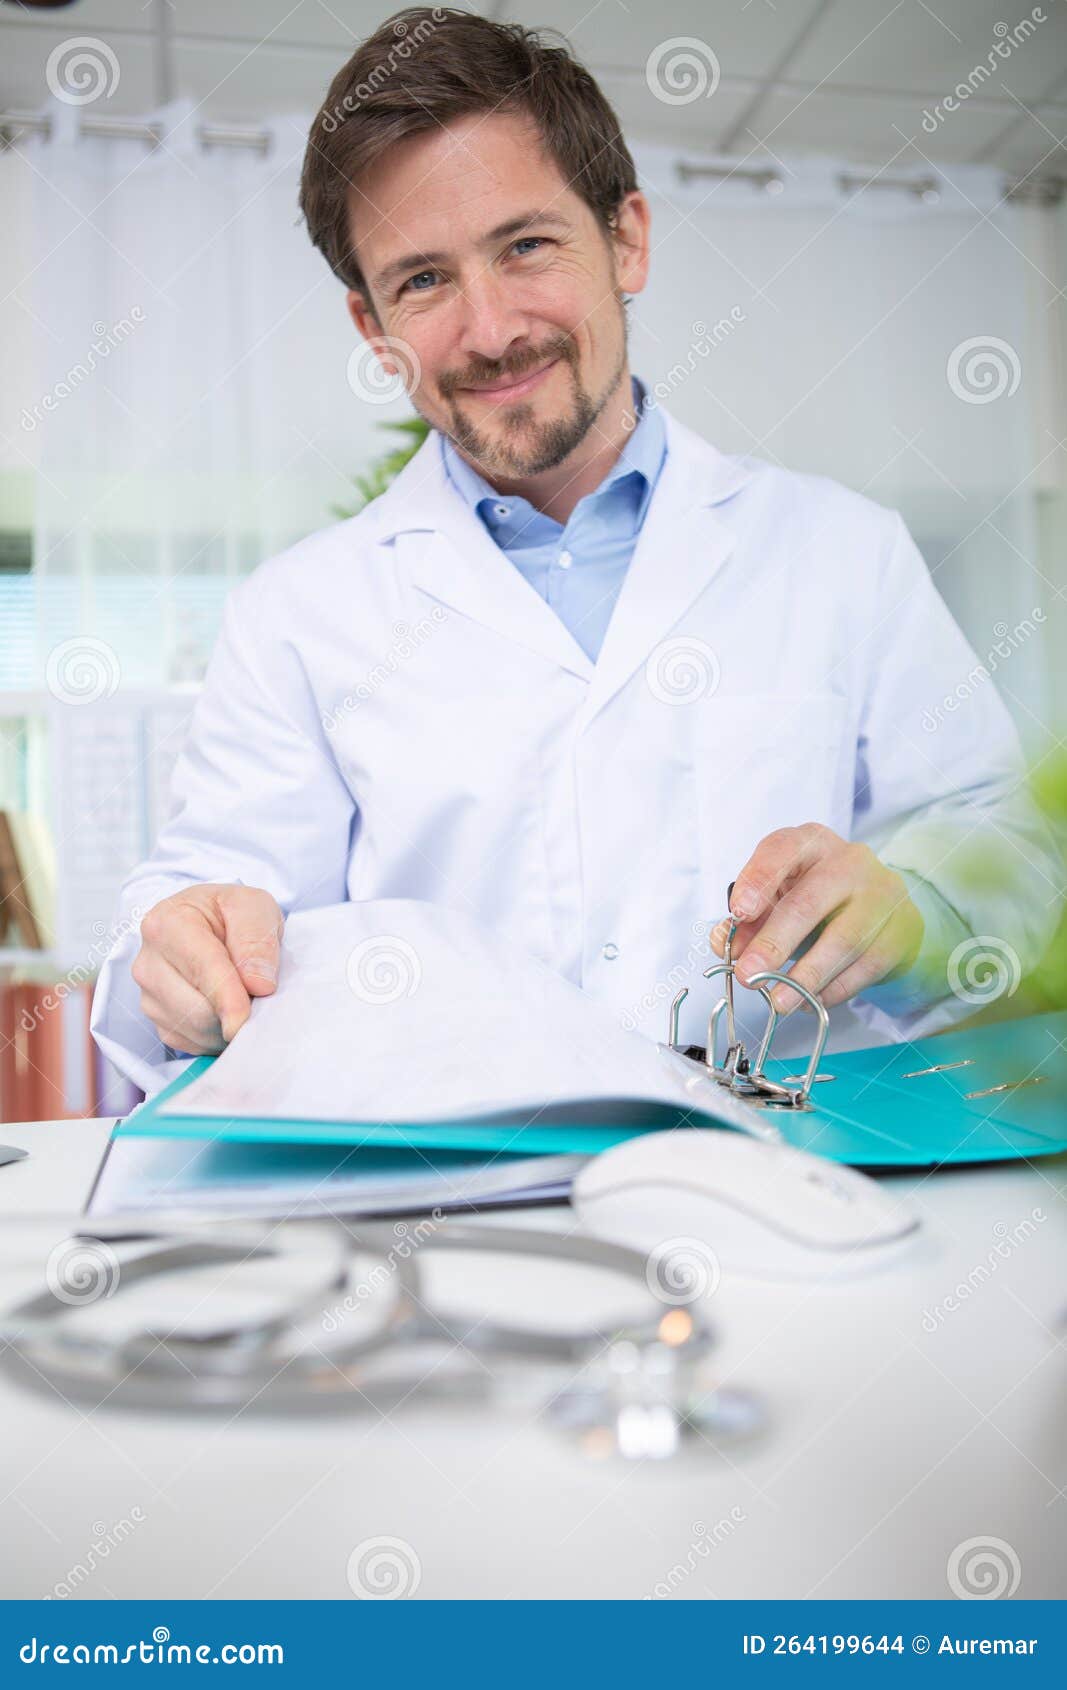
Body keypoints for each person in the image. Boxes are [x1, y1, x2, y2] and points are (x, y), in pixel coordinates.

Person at [92, 8, 1061, 1096]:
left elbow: (1007, 846)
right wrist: (177, 955)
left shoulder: (841, 551)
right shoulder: (298, 615)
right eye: (422, 280)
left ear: (625, 239)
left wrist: (913, 903)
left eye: (525, 246)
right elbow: (197, 918)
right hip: (452, 1203)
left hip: (800, 1178)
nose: (493, 328)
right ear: (373, 330)